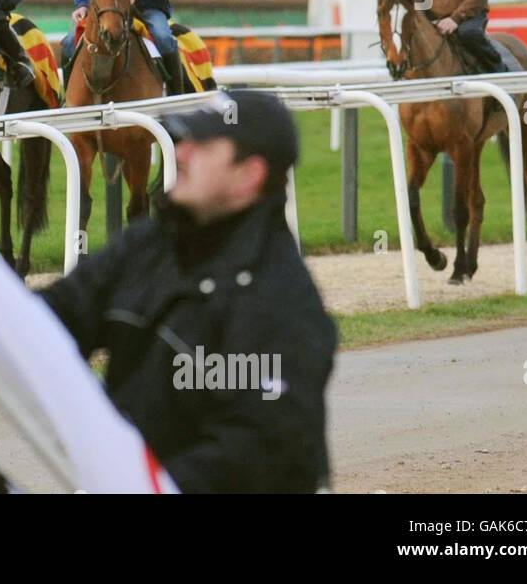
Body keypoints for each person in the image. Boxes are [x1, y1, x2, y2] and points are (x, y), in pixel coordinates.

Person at [39, 90, 337, 492]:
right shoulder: (151, 242)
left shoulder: (284, 305)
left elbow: (255, 451)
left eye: (202, 145)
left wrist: (142, 486)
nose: (180, 154)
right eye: (183, 140)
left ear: (248, 175)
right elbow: (64, 310)